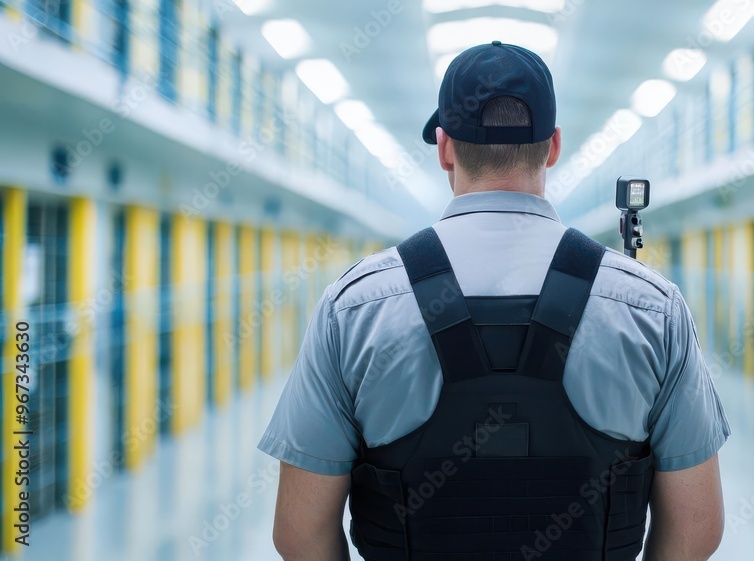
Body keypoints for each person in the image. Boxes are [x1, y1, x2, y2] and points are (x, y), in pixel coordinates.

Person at [259, 41, 730, 561]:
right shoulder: (651, 308)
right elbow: (696, 528)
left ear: (444, 148)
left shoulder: (353, 308)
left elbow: (300, 534)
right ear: (552, 146)